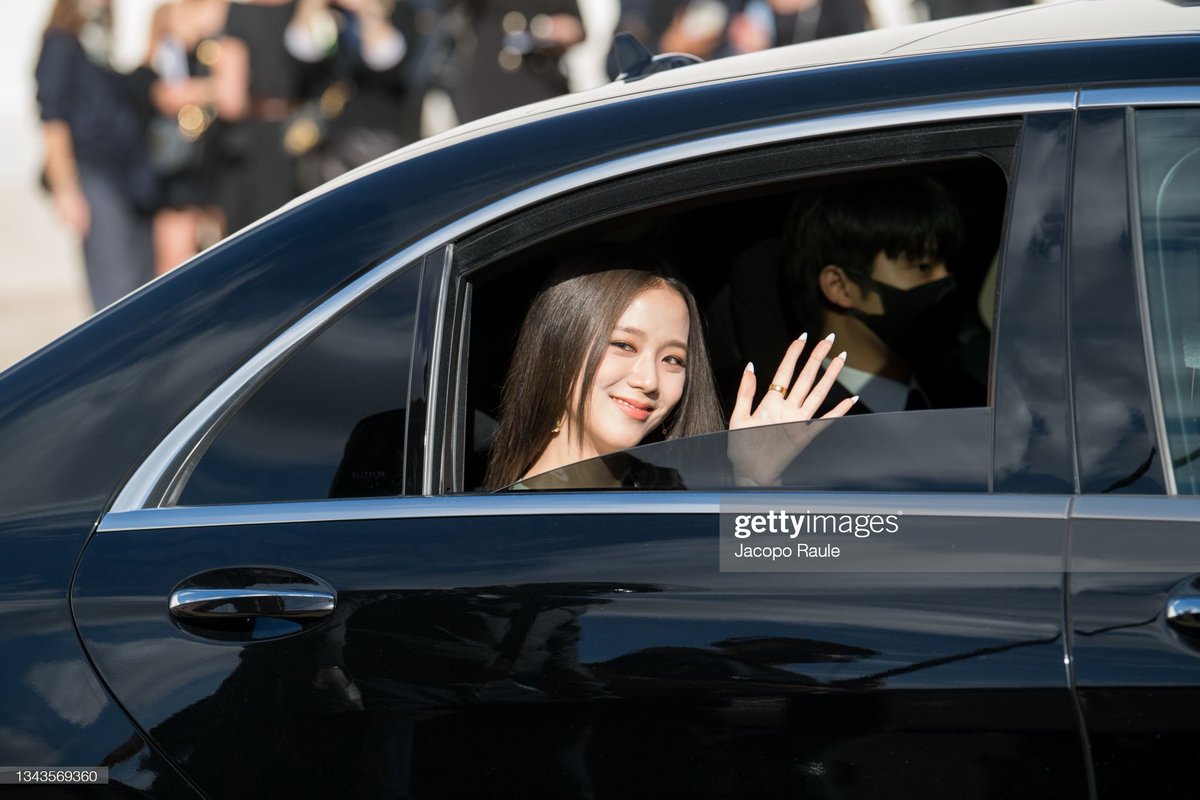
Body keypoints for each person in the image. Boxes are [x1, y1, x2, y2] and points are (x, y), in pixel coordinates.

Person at [485, 248, 856, 490]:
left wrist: (753, 481)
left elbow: (765, 595)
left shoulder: (674, 499)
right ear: (560, 346)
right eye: (623, 345)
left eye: (673, 360)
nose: (649, 381)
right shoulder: (495, 528)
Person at [780, 175, 968, 414]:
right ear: (839, 286)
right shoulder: (797, 430)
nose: (946, 284)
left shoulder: (973, 396)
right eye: (922, 267)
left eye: (949, 267)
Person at [36, 0, 158, 310]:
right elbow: (53, 120)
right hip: (96, 177)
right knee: (117, 292)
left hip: (131, 179)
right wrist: (66, 189)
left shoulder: (99, 47)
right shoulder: (60, 44)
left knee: (142, 284)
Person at [145, 0, 228, 274]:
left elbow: (233, 87)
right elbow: (158, 87)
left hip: (220, 150)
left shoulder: (227, 11)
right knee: (174, 258)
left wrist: (196, 91)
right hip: (180, 157)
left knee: (221, 249)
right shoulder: (165, 15)